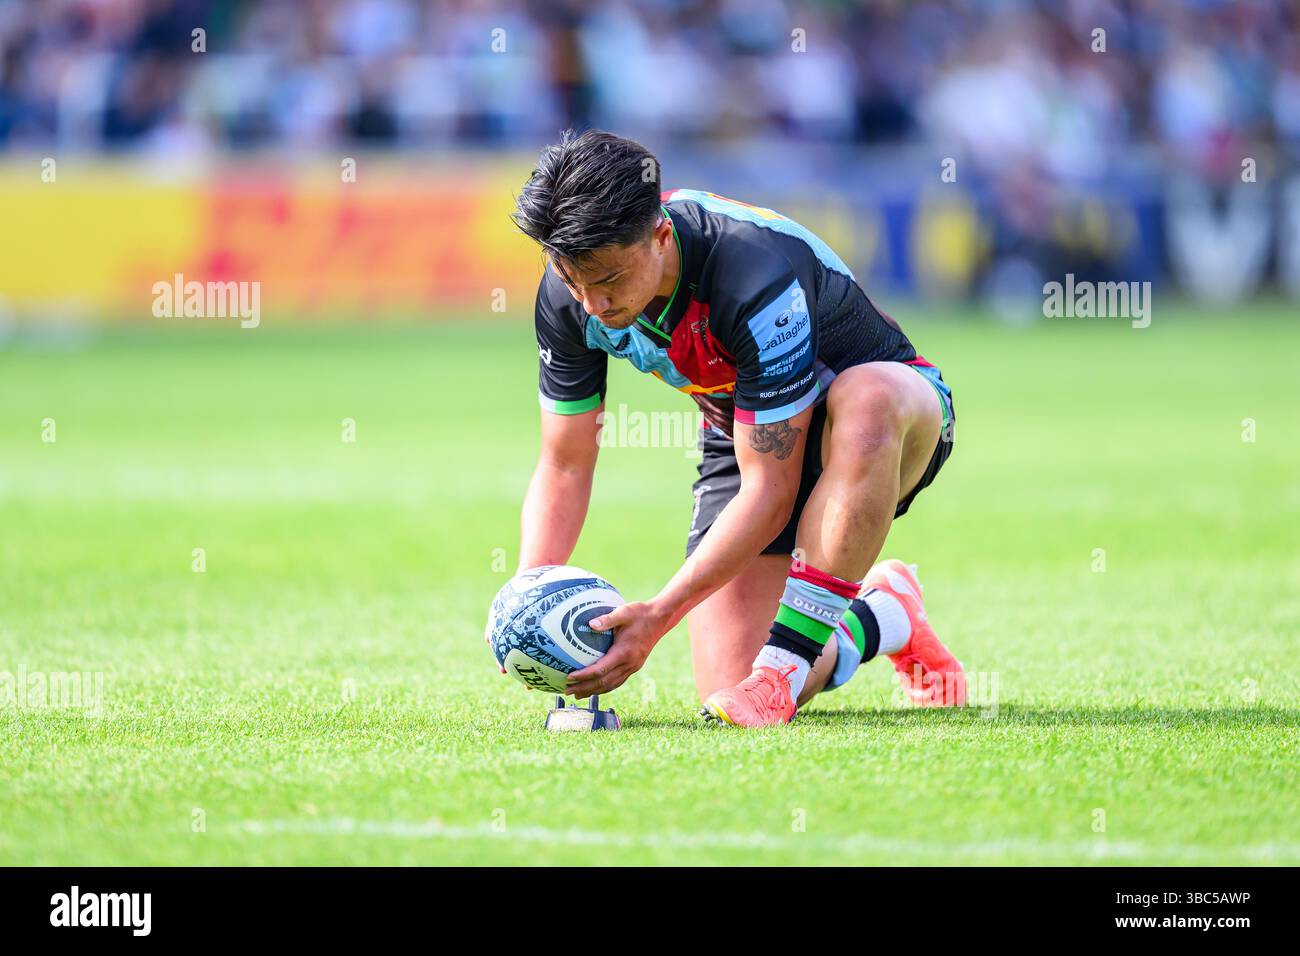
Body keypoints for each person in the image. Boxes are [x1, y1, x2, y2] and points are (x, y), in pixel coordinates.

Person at [510, 129, 965, 727]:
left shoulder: (750, 271)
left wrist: (659, 614)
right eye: (574, 282)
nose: (593, 304)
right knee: (729, 680)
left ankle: (779, 677)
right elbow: (565, 462)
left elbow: (771, 492)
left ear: (659, 235)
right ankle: (887, 614)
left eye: (610, 280)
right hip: (749, 431)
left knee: (867, 396)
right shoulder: (569, 298)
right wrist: (525, 600)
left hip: (889, 422)